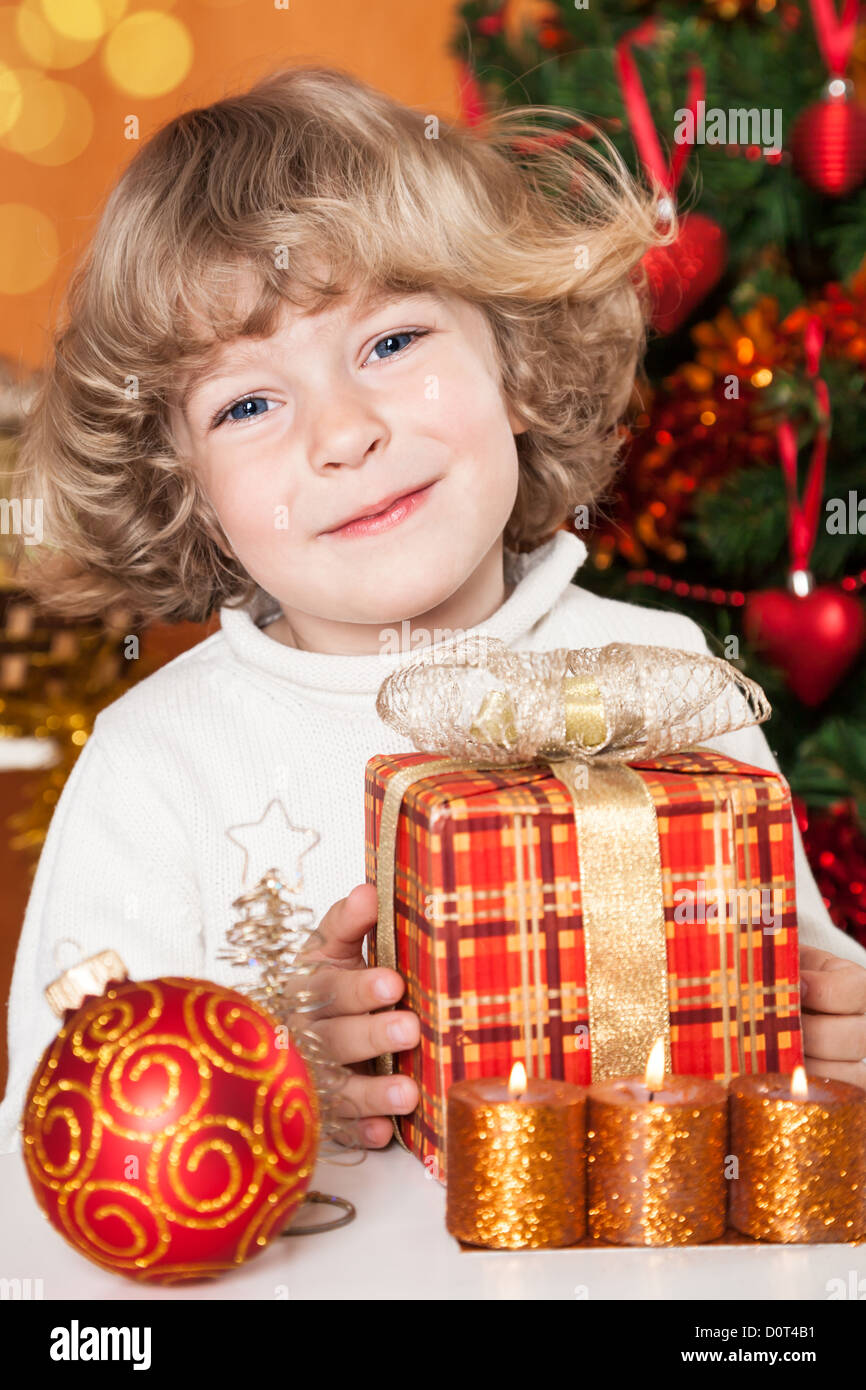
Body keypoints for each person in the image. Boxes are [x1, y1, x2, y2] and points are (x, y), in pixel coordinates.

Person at [2, 65, 864, 1156]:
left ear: (513, 363)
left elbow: (804, 980)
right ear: (190, 492)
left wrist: (835, 1037)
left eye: (391, 342)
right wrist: (273, 1072)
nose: (344, 431)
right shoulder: (156, 762)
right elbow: (54, 1132)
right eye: (250, 403)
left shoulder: (664, 671)